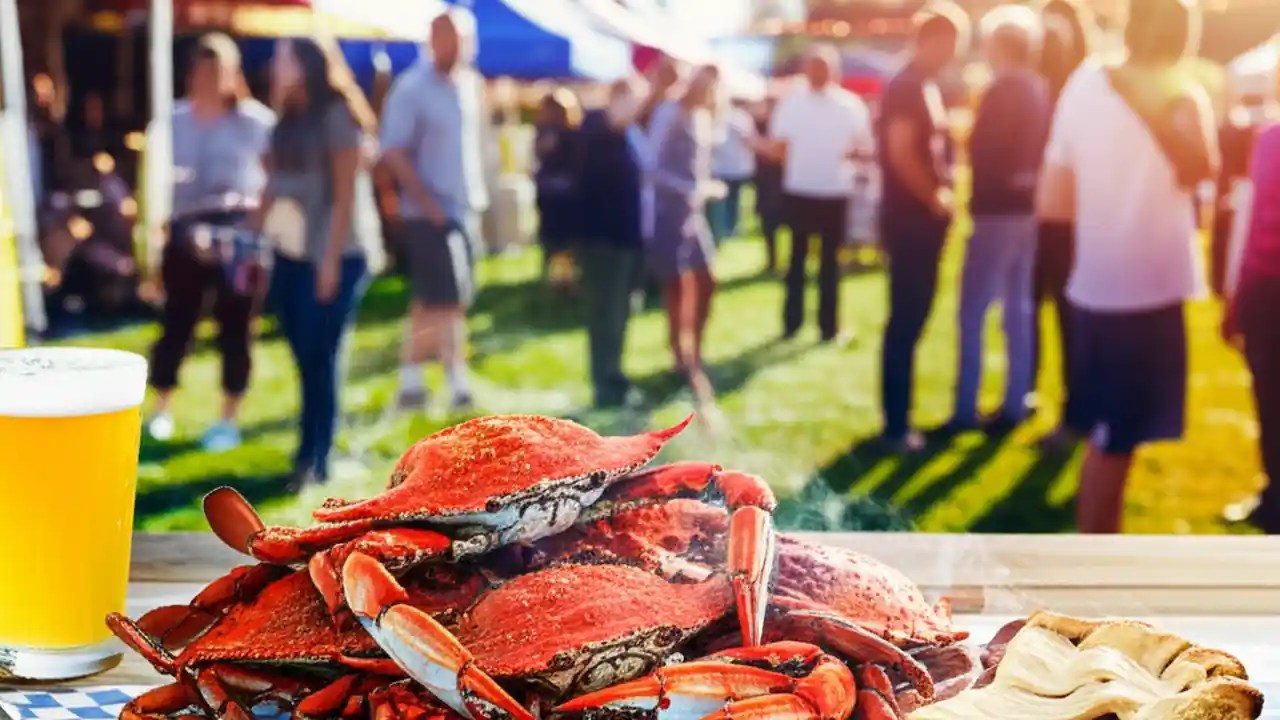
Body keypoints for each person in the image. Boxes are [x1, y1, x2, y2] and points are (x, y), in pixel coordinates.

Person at [1037, 0, 1218, 533]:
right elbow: (1205, 175)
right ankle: (1095, 566)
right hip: (1151, 289)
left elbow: (1054, 199)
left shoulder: (1084, 84)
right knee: (1117, 441)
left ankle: (1097, 556)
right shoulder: (1184, 92)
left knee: (1111, 434)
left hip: (1095, 283)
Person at [146, 33, 275, 450]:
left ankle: (227, 417)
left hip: (238, 229)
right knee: (177, 322)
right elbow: (154, 184)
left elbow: (274, 180)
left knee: (236, 325)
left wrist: (252, 229)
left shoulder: (256, 123)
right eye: (203, 70)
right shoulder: (172, 121)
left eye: (217, 71)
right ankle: (161, 406)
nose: (210, 79)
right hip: (184, 229)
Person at [260, 37, 379, 487]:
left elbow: (345, 196)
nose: (275, 65)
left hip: (336, 253)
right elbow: (273, 183)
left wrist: (328, 262)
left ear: (305, 64)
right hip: (289, 252)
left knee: (320, 354)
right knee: (303, 355)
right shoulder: (287, 116)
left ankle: (316, 457)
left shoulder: (337, 114)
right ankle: (307, 448)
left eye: (282, 58)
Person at [949, 6, 1051, 435]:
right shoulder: (1040, 90)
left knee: (973, 310)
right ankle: (1015, 401)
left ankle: (965, 409)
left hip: (996, 211)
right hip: (1028, 209)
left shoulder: (1001, 92)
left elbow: (982, 150)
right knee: (1018, 308)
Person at [381, 8, 489, 412]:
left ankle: (411, 379)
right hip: (430, 213)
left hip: (463, 207)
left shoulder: (469, 85)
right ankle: (456, 379)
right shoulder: (412, 88)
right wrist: (426, 204)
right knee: (446, 297)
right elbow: (392, 150)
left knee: (434, 297)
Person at [877, 5, 967, 453]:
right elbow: (901, 152)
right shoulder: (908, 85)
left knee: (912, 319)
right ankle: (896, 426)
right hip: (910, 222)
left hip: (920, 222)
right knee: (906, 321)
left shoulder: (922, 84)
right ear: (934, 39)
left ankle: (899, 421)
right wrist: (934, 197)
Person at [768, 44, 874, 343]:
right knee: (799, 260)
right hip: (801, 189)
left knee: (828, 262)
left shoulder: (849, 105)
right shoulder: (792, 103)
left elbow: (863, 147)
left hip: (833, 191)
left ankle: (826, 326)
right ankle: (793, 323)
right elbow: (779, 147)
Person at [1035, 0, 1094, 448]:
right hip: (1052, 219)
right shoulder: (1051, 87)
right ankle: (1037, 395)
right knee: (1043, 311)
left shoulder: (1082, 87)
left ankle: (1078, 413)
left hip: (1069, 222)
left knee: (1072, 318)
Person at [649, 65, 722, 401]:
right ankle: (680, 355)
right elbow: (653, 165)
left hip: (693, 212)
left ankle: (697, 347)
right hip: (669, 211)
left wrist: (704, 187)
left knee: (707, 278)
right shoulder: (670, 113)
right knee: (677, 284)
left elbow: (700, 165)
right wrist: (689, 187)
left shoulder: (703, 118)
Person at [577, 79, 647, 408]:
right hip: (602, 240)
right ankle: (603, 381)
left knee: (620, 311)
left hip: (628, 238)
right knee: (604, 312)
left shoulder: (632, 135)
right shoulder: (595, 131)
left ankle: (615, 374)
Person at [1225, 119, 1280, 533]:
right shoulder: (1267, 138)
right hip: (1265, 287)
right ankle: (1274, 494)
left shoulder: (1268, 139)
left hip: (1265, 285)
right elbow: (1253, 217)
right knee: (1269, 396)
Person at [533, 88, 583, 285]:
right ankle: (556, 282)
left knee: (568, 245)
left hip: (569, 200)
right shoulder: (543, 133)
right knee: (553, 244)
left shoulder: (575, 136)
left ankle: (567, 282)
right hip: (550, 200)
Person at [708, 98, 757, 242]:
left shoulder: (718, 115)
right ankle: (731, 227)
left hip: (722, 166)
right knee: (734, 198)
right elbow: (750, 139)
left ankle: (723, 227)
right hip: (736, 167)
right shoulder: (743, 118)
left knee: (724, 200)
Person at [753, 96, 785, 274]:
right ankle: (772, 260)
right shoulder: (759, 125)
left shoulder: (786, 127)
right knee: (768, 224)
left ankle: (779, 260)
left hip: (783, 183)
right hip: (765, 182)